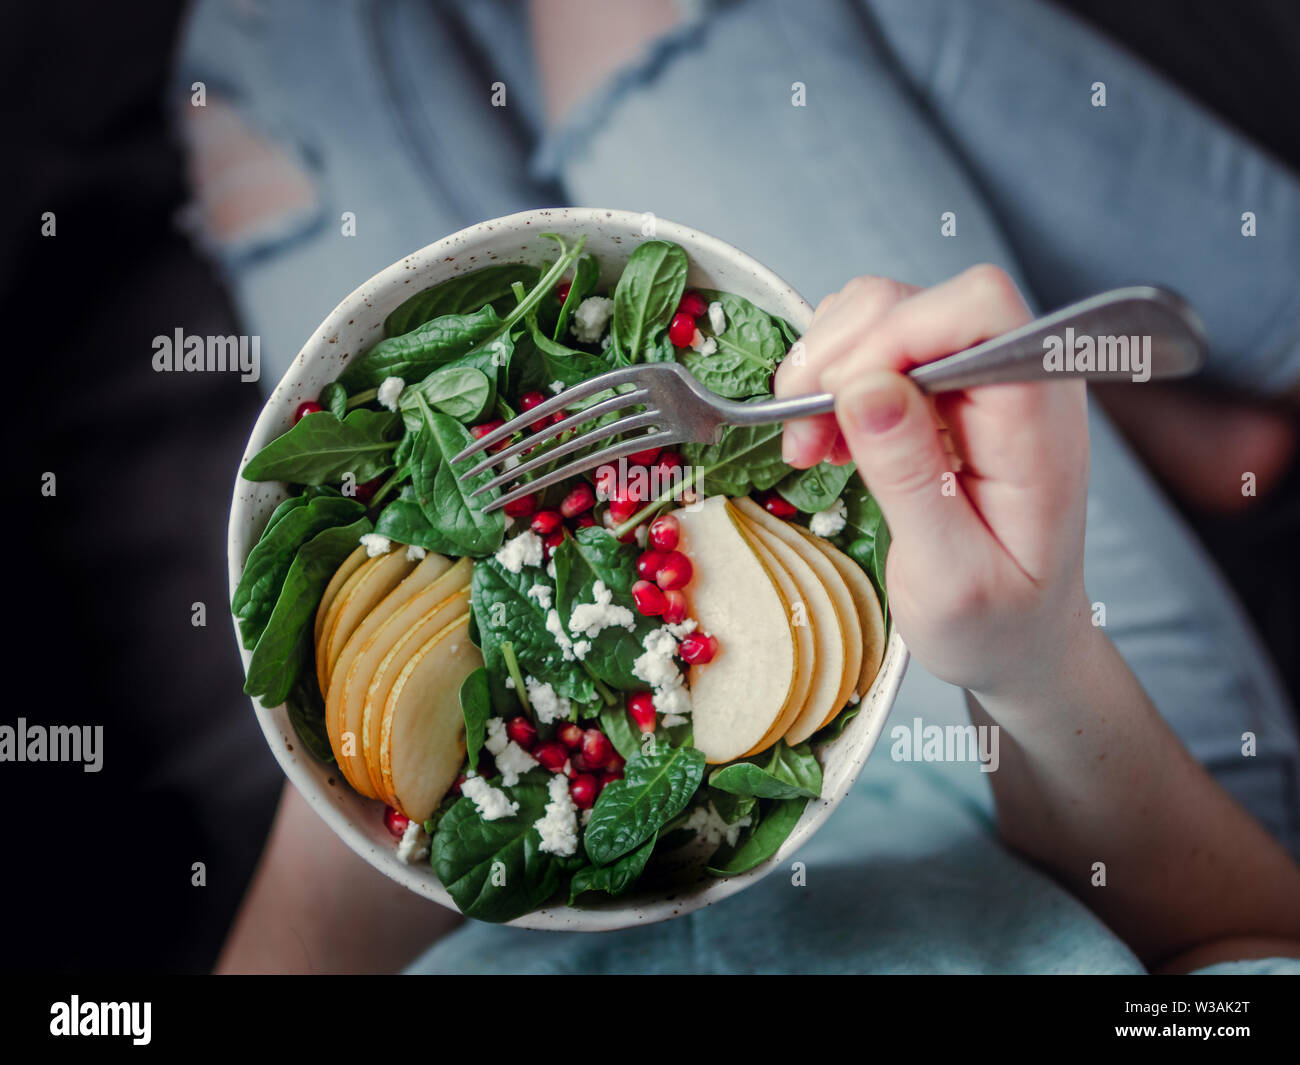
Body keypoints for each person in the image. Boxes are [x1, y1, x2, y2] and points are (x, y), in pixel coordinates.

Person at [189, 0, 1300, 973]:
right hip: (1073, 770)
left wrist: (366, 745)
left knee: (261, 47)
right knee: (650, 23)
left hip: (422, 881)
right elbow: (1246, 947)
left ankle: (1150, 414)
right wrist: (1034, 656)